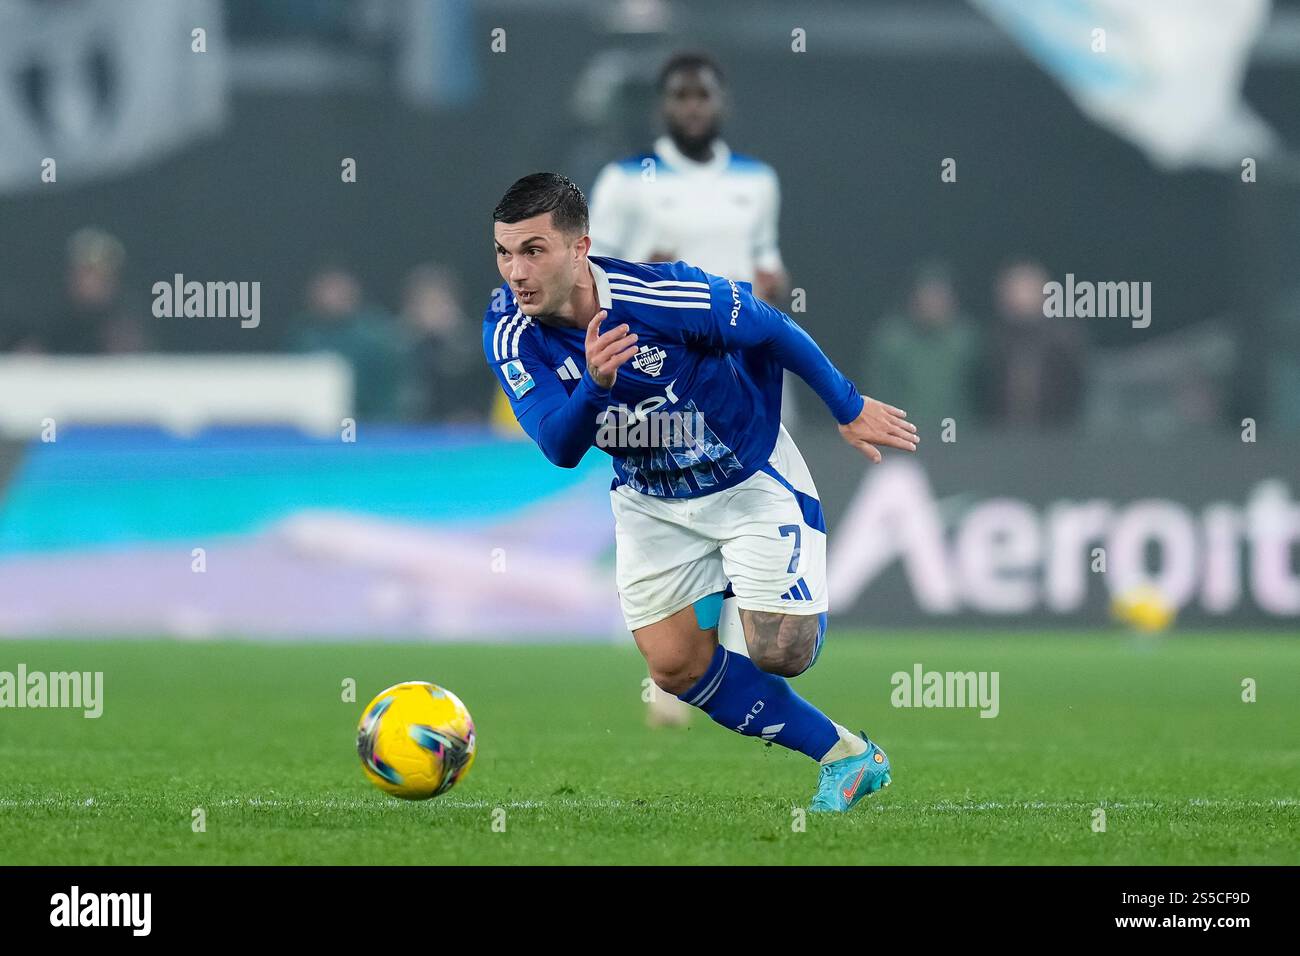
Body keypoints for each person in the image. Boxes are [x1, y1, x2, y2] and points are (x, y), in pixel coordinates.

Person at [483, 173, 917, 812]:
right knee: (676, 669)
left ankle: (735, 586)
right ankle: (850, 758)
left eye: (533, 250)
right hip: (650, 497)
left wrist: (845, 405)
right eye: (503, 252)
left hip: (746, 476)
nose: (515, 271)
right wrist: (596, 386)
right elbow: (559, 445)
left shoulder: (658, 294)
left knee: (782, 653)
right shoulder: (509, 331)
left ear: (580, 249)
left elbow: (769, 327)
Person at [588, 51, 790, 726]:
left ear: (721, 103)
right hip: (656, 369)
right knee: (659, 500)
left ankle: (724, 650)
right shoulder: (625, 181)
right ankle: (661, 663)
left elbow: (768, 265)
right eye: (680, 95)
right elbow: (589, 273)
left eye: (703, 95)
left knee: (739, 503)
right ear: (663, 105)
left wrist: (769, 292)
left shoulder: (757, 181)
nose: (692, 106)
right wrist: (643, 278)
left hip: (734, 361)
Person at [866, 261, 980, 434]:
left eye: (939, 296)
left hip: (959, 438)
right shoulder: (892, 340)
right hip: (903, 439)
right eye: (927, 295)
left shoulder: (966, 341)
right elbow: (878, 392)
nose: (932, 303)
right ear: (913, 298)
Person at [287, 262, 404, 420]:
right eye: (326, 289)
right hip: (315, 427)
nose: (331, 296)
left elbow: (392, 389)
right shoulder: (303, 335)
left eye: (337, 289)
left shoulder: (376, 335)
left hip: (371, 426)